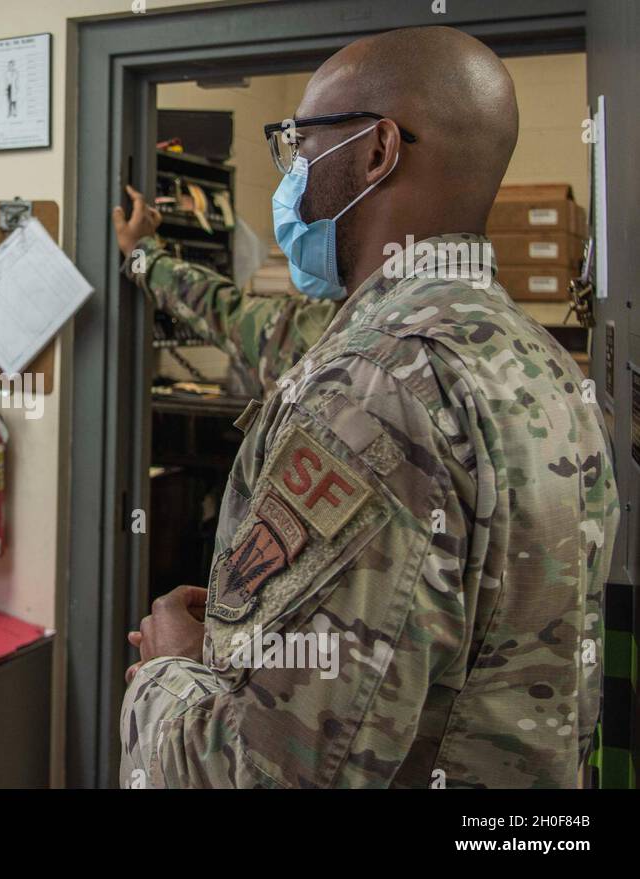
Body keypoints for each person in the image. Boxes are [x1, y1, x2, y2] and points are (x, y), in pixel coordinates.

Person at [120, 26, 619, 788]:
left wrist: (168, 672)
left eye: (301, 142)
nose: (291, 174)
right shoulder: (545, 365)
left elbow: (253, 776)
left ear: (376, 153)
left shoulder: (375, 391)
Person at [114, 185, 334, 398]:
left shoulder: (291, 329)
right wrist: (140, 254)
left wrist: (139, 253)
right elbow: (207, 300)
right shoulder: (293, 326)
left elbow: (209, 303)